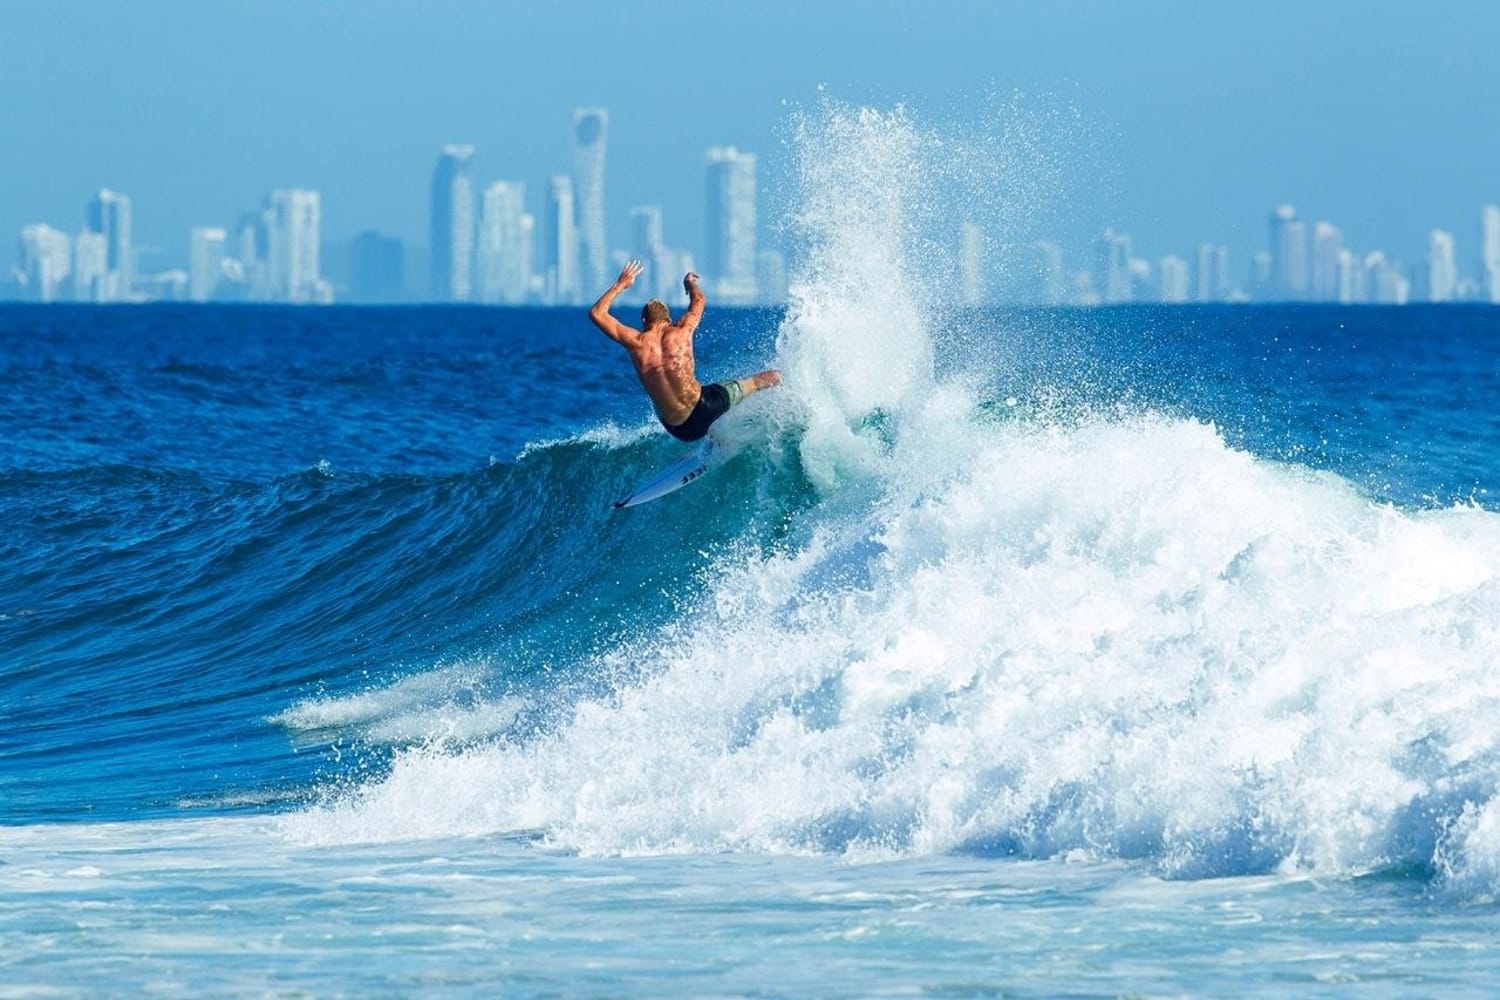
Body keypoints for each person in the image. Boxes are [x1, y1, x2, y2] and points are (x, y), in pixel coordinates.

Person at [589, 260, 781, 443]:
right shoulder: (682, 330)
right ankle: (789, 382)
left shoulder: (636, 342)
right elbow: (699, 299)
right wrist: (690, 284)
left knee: (659, 397)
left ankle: (715, 436)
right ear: (669, 319)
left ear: (644, 321)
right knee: (756, 382)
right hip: (706, 409)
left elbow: (597, 313)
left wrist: (621, 284)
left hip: (678, 430)